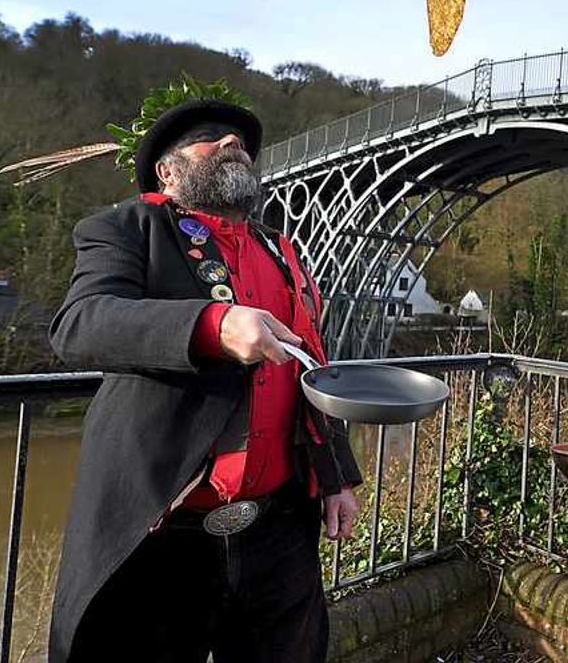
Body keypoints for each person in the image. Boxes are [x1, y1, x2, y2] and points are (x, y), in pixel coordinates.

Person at [44, 83, 363, 663]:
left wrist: (336, 475)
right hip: (164, 533)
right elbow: (81, 323)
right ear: (166, 172)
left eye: (237, 139)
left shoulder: (283, 253)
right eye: (205, 139)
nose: (232, 141)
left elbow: (313, 369)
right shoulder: (127, 229)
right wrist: (213, 326)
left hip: (279, 529)